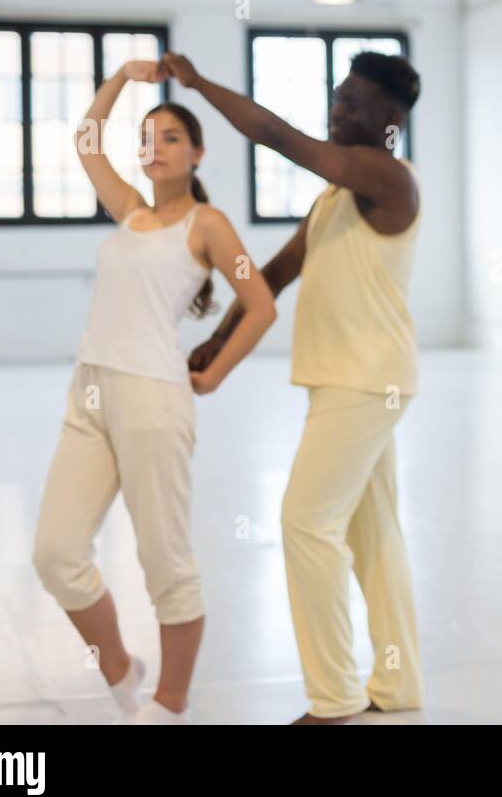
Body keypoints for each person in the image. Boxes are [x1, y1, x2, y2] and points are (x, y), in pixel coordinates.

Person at [167, 50, 425, 725]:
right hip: (352, 379)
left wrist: (198, 82)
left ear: (390, 119)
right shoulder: (336, 198)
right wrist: (217, 342)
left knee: (305, 524)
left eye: (353, 104)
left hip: (363, 381)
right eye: (336, 100)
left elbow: (276, 137)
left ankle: (333, 700)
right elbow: (274, 274)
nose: (338, 111)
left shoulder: (386, 177)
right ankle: (398, 688)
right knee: (375, 536)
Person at [32, 60, 277, 725]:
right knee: (54, 552)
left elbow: (260, 304)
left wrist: (215, 374)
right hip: (89, 390)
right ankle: (119, 666)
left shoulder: (207, 223)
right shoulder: (131, 212)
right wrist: (118, 78)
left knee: (163, 558)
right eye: (148, 136)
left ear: (197, 153)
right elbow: (87, 139)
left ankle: (170, 705)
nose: (156, 146)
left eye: (171, 136)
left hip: (151, 395)